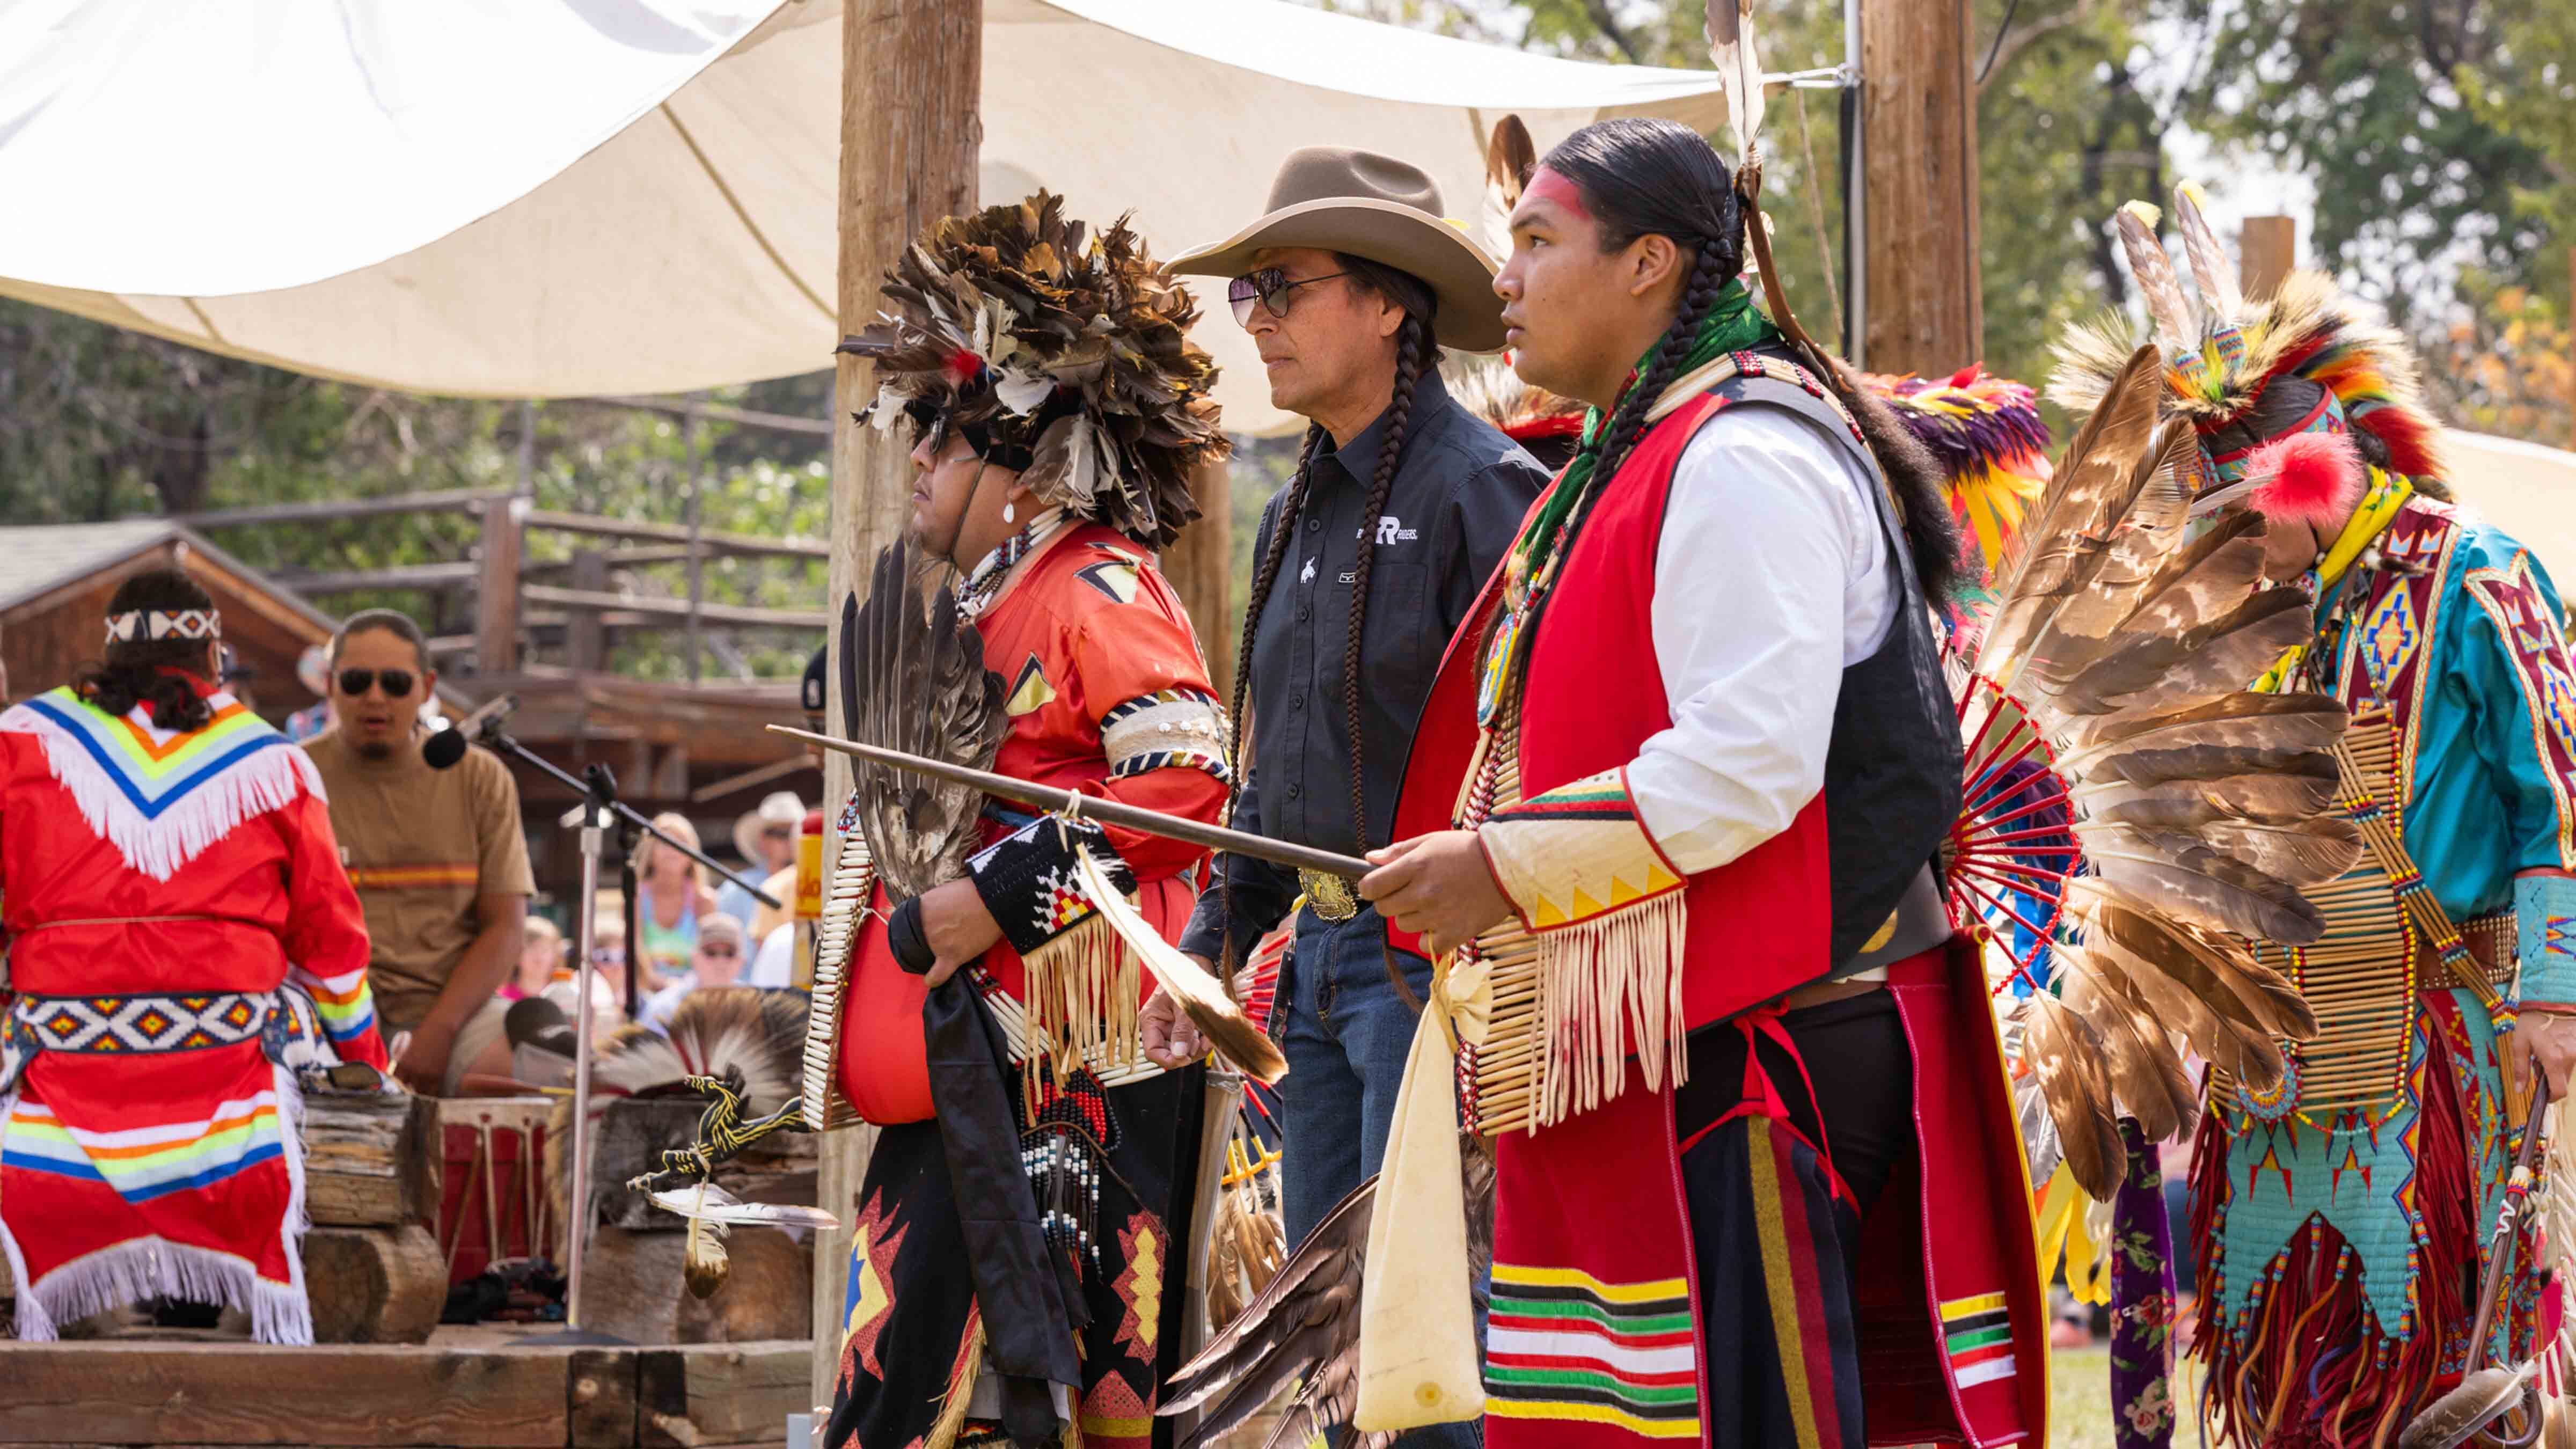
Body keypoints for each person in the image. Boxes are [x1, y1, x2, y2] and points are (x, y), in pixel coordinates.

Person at [1354, 119, 2041, 1447]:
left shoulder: (1740, 456)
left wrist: (1498, 865)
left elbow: (1749, 758)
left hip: (1764, 1036)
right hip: (1683, 1021)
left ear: (1648, 263)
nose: (1503, 275)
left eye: (1537, 240)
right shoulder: (1645, 450)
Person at [2045, 185, 2576, 1445]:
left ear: (2312, 461)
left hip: (2438, 1044)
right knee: (2283, 1359)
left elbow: (2558, 805)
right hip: (2268, 1064)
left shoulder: (2474, 576)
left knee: (2440, 1355)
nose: (2221, 550)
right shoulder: (2242, 626)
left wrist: (2550, 999)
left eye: (2238, 518)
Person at [816, 192, 1233, 1449]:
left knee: (1081, 1389)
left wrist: (991, 894)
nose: (920, 467)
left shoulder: (1094, 584)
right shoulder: (991, 603)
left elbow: (1184, 783)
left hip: (1073, 1049)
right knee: (909, 1355)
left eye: (943, 443)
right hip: (975, 1046)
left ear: (1020, 474)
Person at [1152, 148, 1549, 1284]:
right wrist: (1207, 952)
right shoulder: (1289, 514)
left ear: (1384, 305)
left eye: (1284, 289)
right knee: (1327, 1334)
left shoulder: (1486, 495)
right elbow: (1273, 775)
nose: (1257, 322)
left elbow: (1539, 760)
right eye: (1249, 294)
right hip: (1317, 970)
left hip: (1441, 970)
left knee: (1428, 1330)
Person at [0, 568, 389, 1344]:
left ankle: (82, 1306)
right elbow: (331, 947)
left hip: (64, 1070)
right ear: (213, 654)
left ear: (111, 651)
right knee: (288, 1025)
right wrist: (370, 1068)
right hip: (229, 1071)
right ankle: (252, 1311)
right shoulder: (273, 760)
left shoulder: (21, 742)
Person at [302, 608, 533, 1095]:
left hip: (453, 1011)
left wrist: (441, 1032)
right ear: (330, 685)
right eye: (357, 681)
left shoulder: (480, 777)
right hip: (323, 1011)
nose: (375, 698)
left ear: (427, 688)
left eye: (395, 684)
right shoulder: (294, 775)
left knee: (529, 1069)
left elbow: (506, 925)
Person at [630, 812, 716, 992]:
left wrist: (683, 989)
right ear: (650, 852)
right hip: (645, 993)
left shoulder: (704, 901)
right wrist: (659, 984)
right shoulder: (636, 897)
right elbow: (633, 949)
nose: (672, 851)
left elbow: (710, 955)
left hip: (693, 994)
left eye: (681, 843)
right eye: (665, 842)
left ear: (692, 854)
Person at [641, 912, 747, 1034]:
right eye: (711, 953)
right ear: (695, 957)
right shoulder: (666, 1008)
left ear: (741, 961)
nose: (720, 961)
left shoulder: (753, 1009)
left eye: (730, 953)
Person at [719, 791, 801, 928]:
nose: (791, 840)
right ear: (763, 841)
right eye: (782, 834)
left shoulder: (813, 887)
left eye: (798, 833)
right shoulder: (737, 889)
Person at [503, 916, 563, 1002]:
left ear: (555, 955)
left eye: (544, 949)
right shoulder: (503, 999)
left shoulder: (564, 997)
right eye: (530, 948)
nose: (538, 956)